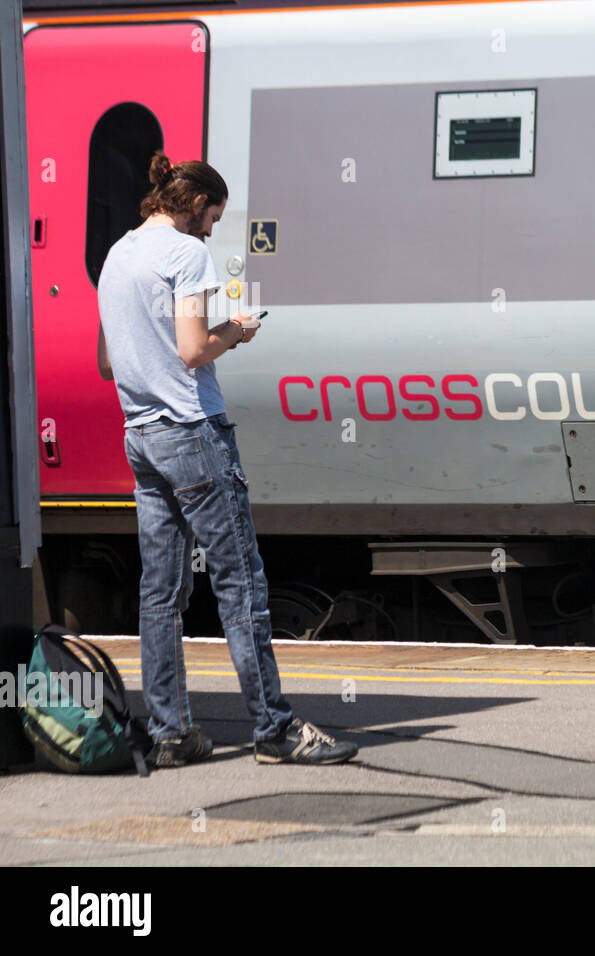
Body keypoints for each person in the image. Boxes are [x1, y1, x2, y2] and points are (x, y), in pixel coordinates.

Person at [96, 150, 358, 767]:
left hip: (141, 435)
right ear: (192, 206)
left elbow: (108, 363)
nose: (213, 229)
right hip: (192, 431)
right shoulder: (186, 254)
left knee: (161, 592)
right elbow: (191, 351)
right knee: (242, 585)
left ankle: (170, 734)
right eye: (212, 216)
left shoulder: (116, 255)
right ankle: (275, 728)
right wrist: (234, 332)